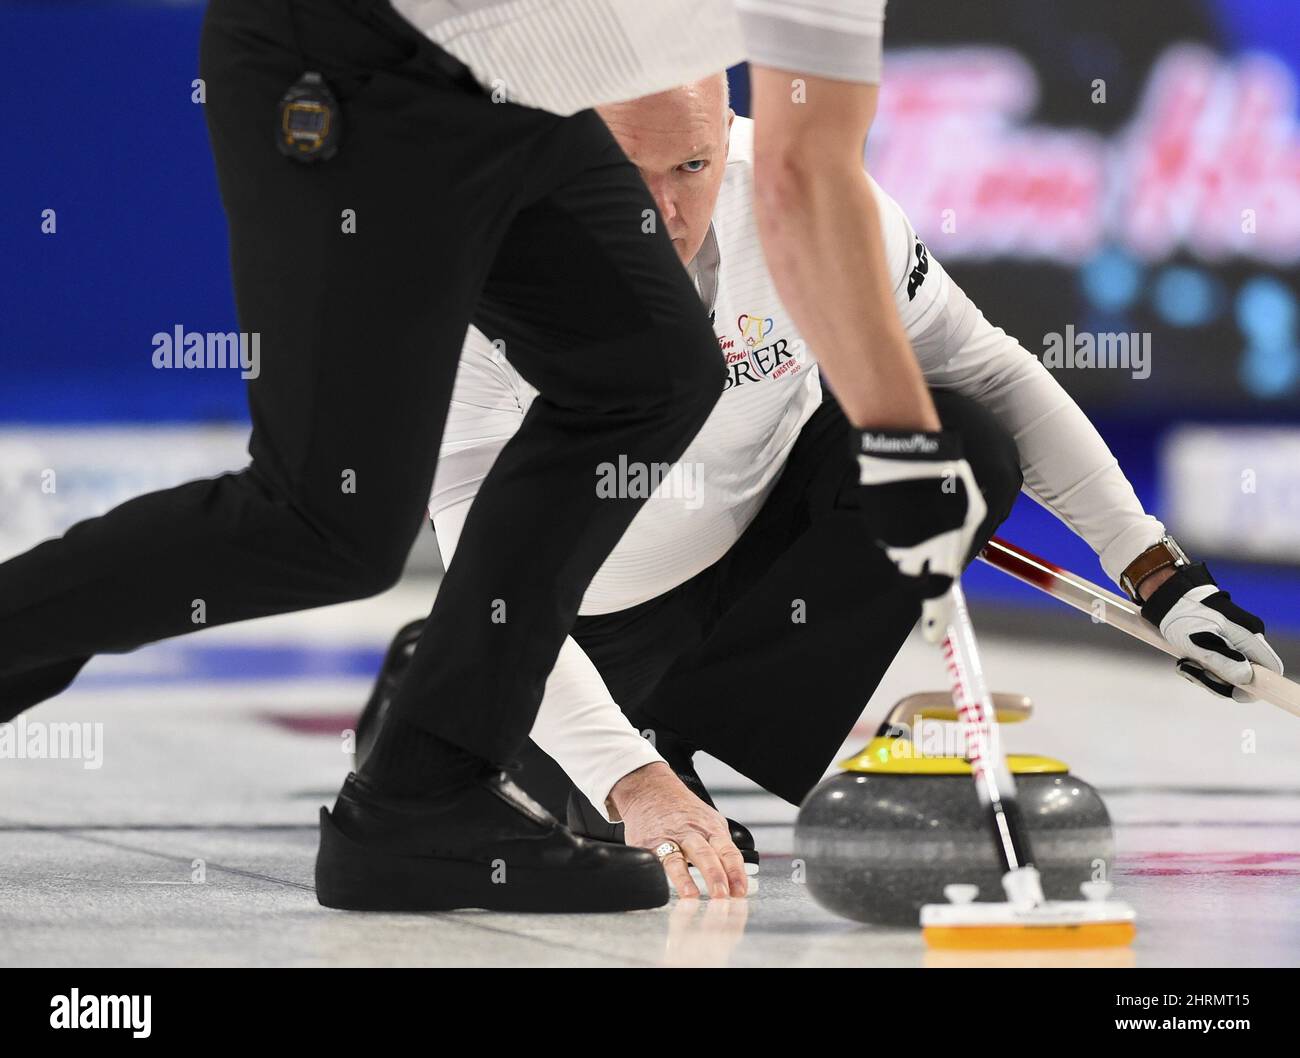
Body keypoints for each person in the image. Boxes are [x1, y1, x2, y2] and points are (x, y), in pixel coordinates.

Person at [357, 74, 1285, 899]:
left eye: (692, 166)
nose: (664, 212)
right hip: (570, 618)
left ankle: (673, 735)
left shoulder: (801, 197)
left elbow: (990, 369)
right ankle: (476, 696)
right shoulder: (482, 257)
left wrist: (1158, 573)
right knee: (502, 686)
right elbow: (489, 570)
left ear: (730, 132)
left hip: (753, 547)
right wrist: (621, 776)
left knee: (960, 440)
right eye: (623, 170)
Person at [0, 0, 758, 914]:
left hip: (525, 85)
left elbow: (818, 154)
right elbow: (819, 171)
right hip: (359, 47)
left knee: (648, 371)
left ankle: (425, 793)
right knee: (324, 523)